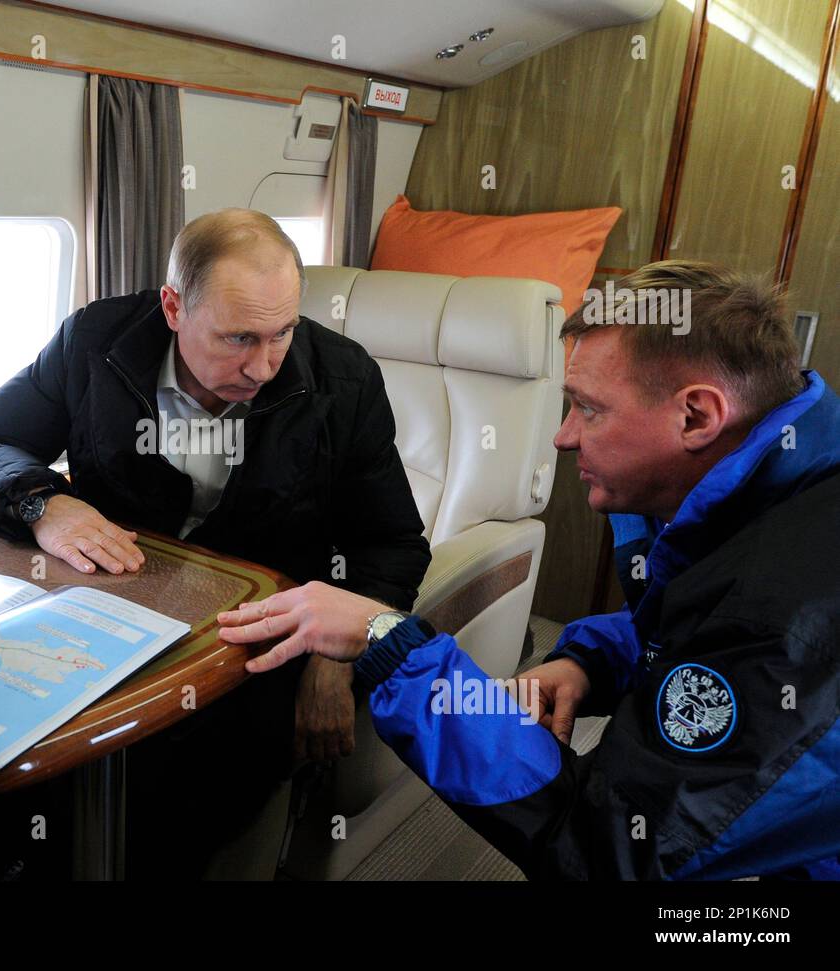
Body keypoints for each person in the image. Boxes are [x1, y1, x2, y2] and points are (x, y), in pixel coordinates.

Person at [219, 260, 840, 880]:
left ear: (697, 417)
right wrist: (591, 661)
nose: (562, 438)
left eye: (588, 409)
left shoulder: (779, 617)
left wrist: (389, 641)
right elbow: (695, 627)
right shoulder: (782, 499)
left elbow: (606, 852)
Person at [0, 209, 430, 873]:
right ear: (174, 307)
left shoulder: (343, 382)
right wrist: (42, 503)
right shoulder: (95, 342)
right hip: (103, 620)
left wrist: (337, 657)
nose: (264, 365)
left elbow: (392, 543)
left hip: (256, 648)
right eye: (239, 338)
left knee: (161, 810)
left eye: (283, 330)